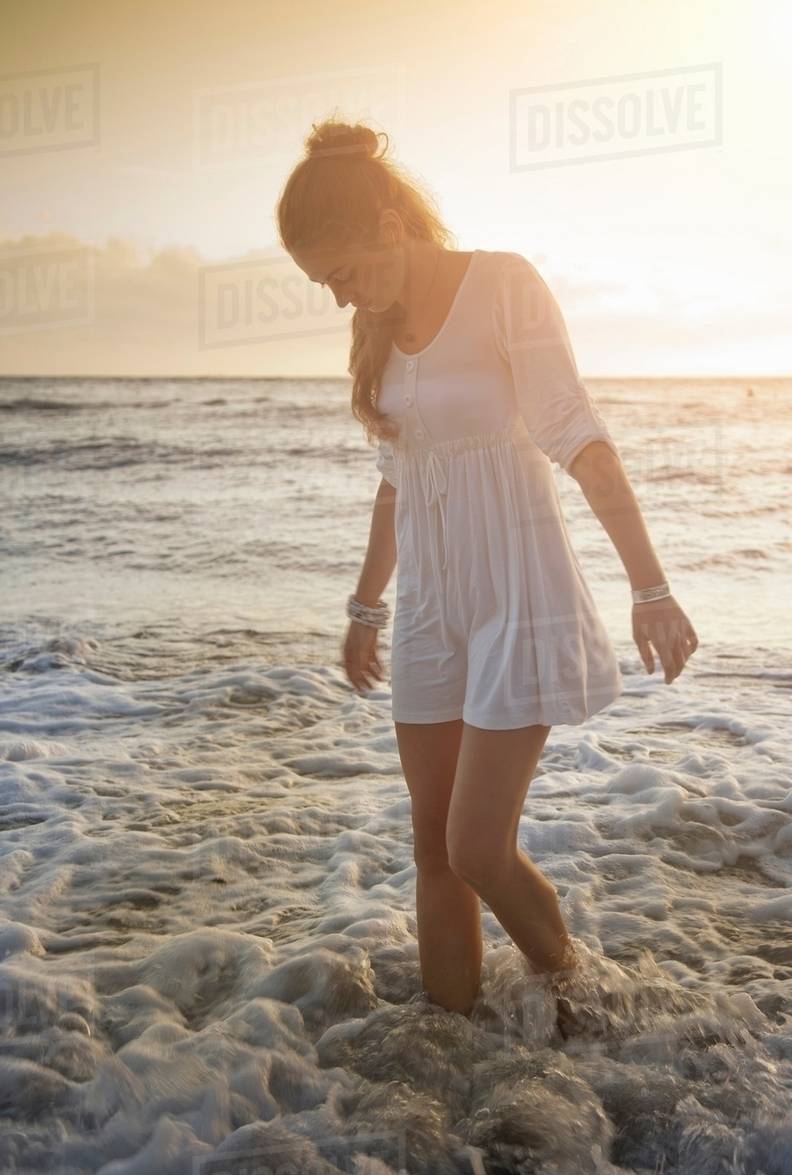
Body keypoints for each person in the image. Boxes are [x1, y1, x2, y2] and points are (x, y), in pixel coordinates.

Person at [276, 117, 698, 1019]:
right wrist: (365, 606)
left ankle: (579, 1000)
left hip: (519, 595)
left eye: (343, 272)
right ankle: (450, 1045)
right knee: (433, 848)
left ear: (390, 226)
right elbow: (398, 482)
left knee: (476, 846)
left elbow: (577, 434)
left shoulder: (504, 285)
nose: (343, 299)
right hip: (433, 610)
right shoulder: (380, 334)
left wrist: (650, 585)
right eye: (325, 284)